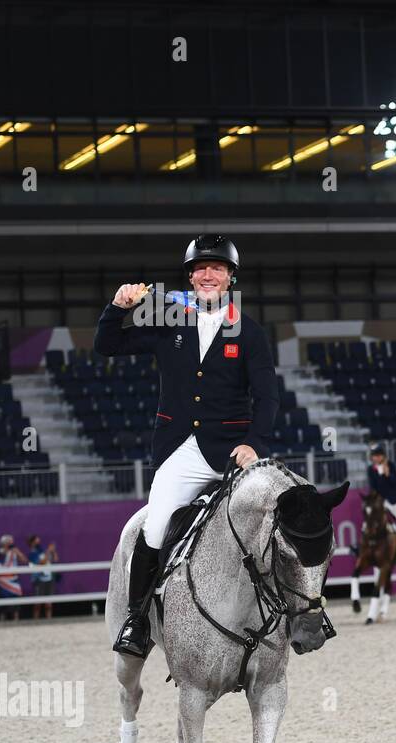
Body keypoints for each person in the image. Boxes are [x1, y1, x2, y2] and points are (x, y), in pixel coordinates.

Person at [96, 234, 279, 657]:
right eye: (200, 268)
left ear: (231, 278)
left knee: (274, 523)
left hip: (235, 452)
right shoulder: (168, 321)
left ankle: (290, 615)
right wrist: (118, 307)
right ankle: (137, 623)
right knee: (156, 524)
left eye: (217, 268)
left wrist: (254, 443)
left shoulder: (249, 333)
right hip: (182, 451)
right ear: (191, 277)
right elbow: (107, 345)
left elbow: (267, 396)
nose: (208, 274)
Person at [0, 534, 27, 622]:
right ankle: (2, 622)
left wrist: (18, 552)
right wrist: (6, 551)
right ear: (4, 543)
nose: (11, 543)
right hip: (2, 582)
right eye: (9, 541)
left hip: (14, 581)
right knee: (2, 606)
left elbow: (24, 560)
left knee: (15, 603)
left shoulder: (14, 551)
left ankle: (16, 621)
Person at [27, 534, 58, 620]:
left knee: (49, 603)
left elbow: (55, 560)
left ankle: (49, 620)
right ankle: (36, 621)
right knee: (38, 603)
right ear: (32, 542)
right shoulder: (32, 553)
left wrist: (53, 551)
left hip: (49, 579)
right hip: (39, 580)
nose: (39, 541)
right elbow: (41, 563)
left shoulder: (43, 551)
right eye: (37, 540)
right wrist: (48, 551)